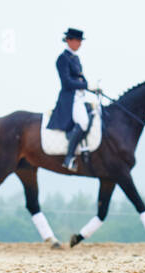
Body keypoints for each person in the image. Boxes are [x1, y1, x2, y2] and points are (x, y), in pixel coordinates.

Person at [48, 28, 97, 170]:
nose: (80, 44)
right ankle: (69, 158)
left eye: (81, 41)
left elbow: (80, 78)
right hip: (70, 100)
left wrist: (93, 88)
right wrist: (87, 85)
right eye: (78, 41)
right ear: (69, 40)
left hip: (80, 98)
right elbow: (67, 83)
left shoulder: (75, 58)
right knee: (83, 122)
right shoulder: (62, 59)